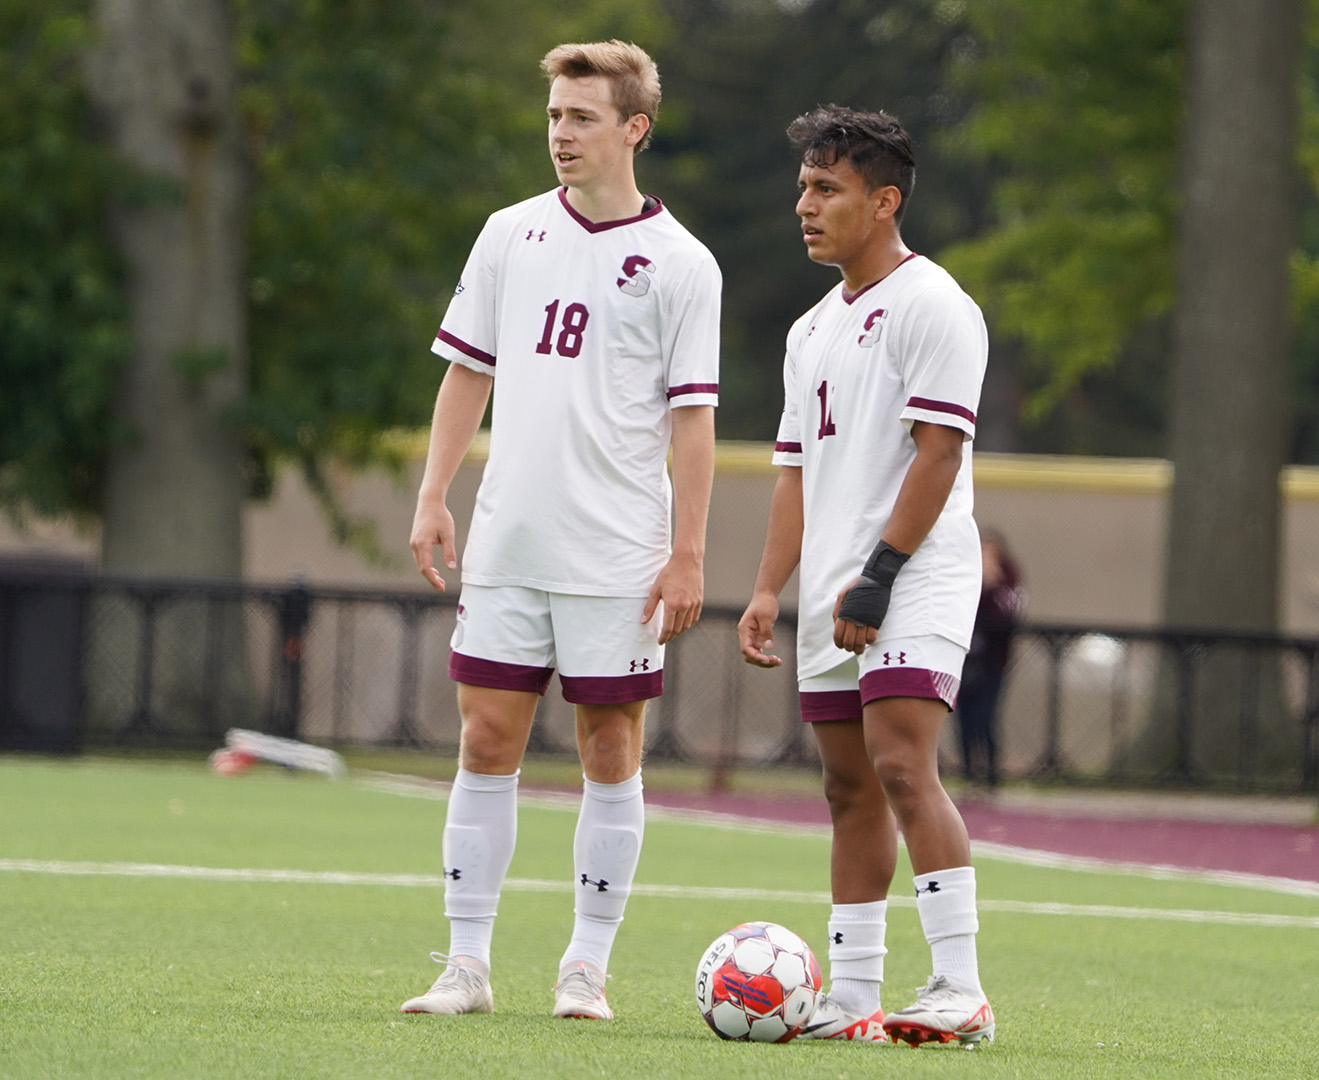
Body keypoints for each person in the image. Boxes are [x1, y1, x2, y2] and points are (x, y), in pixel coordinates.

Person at [401, 40, 721, 1020]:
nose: (560, 134)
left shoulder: (682, 264)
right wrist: (432, 495)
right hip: (508, 542)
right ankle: (465, 966)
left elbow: (695, 419)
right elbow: (467, 372)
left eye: (580, 117)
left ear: (635, 129)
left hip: (617, 554)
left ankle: (586, 967)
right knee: (486, 738)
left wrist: (688, 554)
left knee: (609, 751)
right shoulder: (507, 235)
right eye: (552, 116)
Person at [737, 105, 994, 1047]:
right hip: (832, 588)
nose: (803, 204)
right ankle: (852, 997)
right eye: (803, 186)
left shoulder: (935, 305)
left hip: (912, 574)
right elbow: (795, 474)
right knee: (847, 788)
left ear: (883, 201)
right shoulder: (810, 331)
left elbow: (937, 456)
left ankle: (961, 990)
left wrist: (881, 574)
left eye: (826, 188)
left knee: (899, 764)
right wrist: (768, 588)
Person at [957, 528, 1024, 793]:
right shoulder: (962, 577)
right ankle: (969, 775)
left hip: (992, 664)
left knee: (985, 719)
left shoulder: (1008, 581)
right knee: (963, 720)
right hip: (962, 661)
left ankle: (992, 776)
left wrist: (991, 587)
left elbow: (1007, 619)